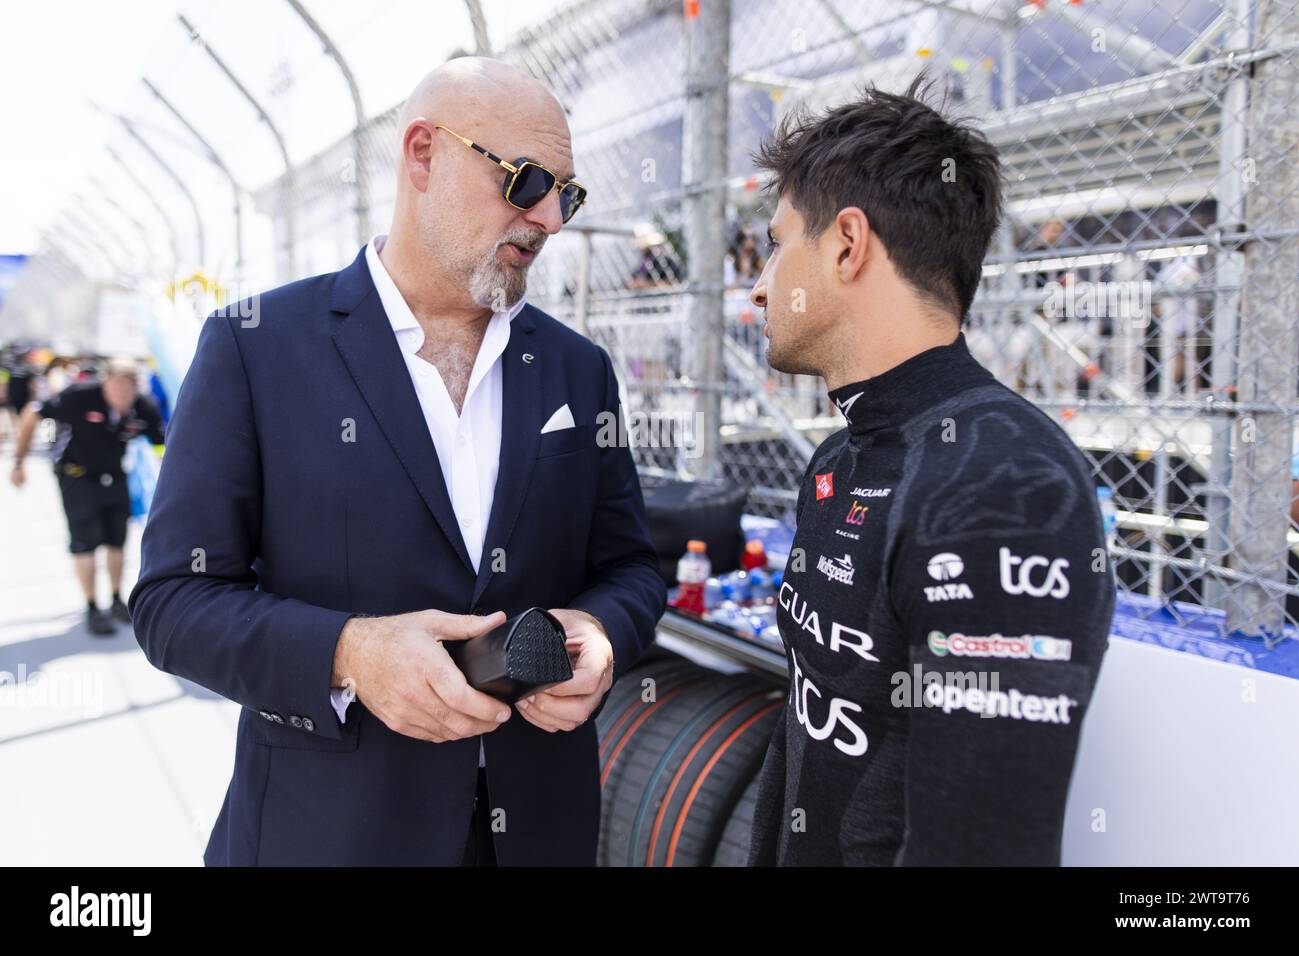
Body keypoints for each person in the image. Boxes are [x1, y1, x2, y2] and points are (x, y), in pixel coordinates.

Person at [129, 57, 665, 866]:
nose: (551, 219)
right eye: (527, 182)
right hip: (330, 835)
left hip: (537, 828)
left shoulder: (576, 368)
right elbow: (173, 601)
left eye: (568, 193)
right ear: (422, 155)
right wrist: (349, 652)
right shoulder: (256, 346)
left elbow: (630, 566)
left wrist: (600, 630)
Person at [745, 77, 1114, 865]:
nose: (758, 282)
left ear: (847, 245)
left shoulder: (1008, 485)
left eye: (777, 243)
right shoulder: (840, 455)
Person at [10, 357, 165, 635]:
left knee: (117, 541)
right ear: (105, 382)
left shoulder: (142, 407)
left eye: (128, 391)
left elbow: (163, 442)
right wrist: (19, 462)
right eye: (117, 388)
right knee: (85, 544)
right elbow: (33, 413)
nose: (122, 397)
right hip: (77, 478)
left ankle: (117, 600)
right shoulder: (78, 397)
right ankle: (92, 607)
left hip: (115, 478)